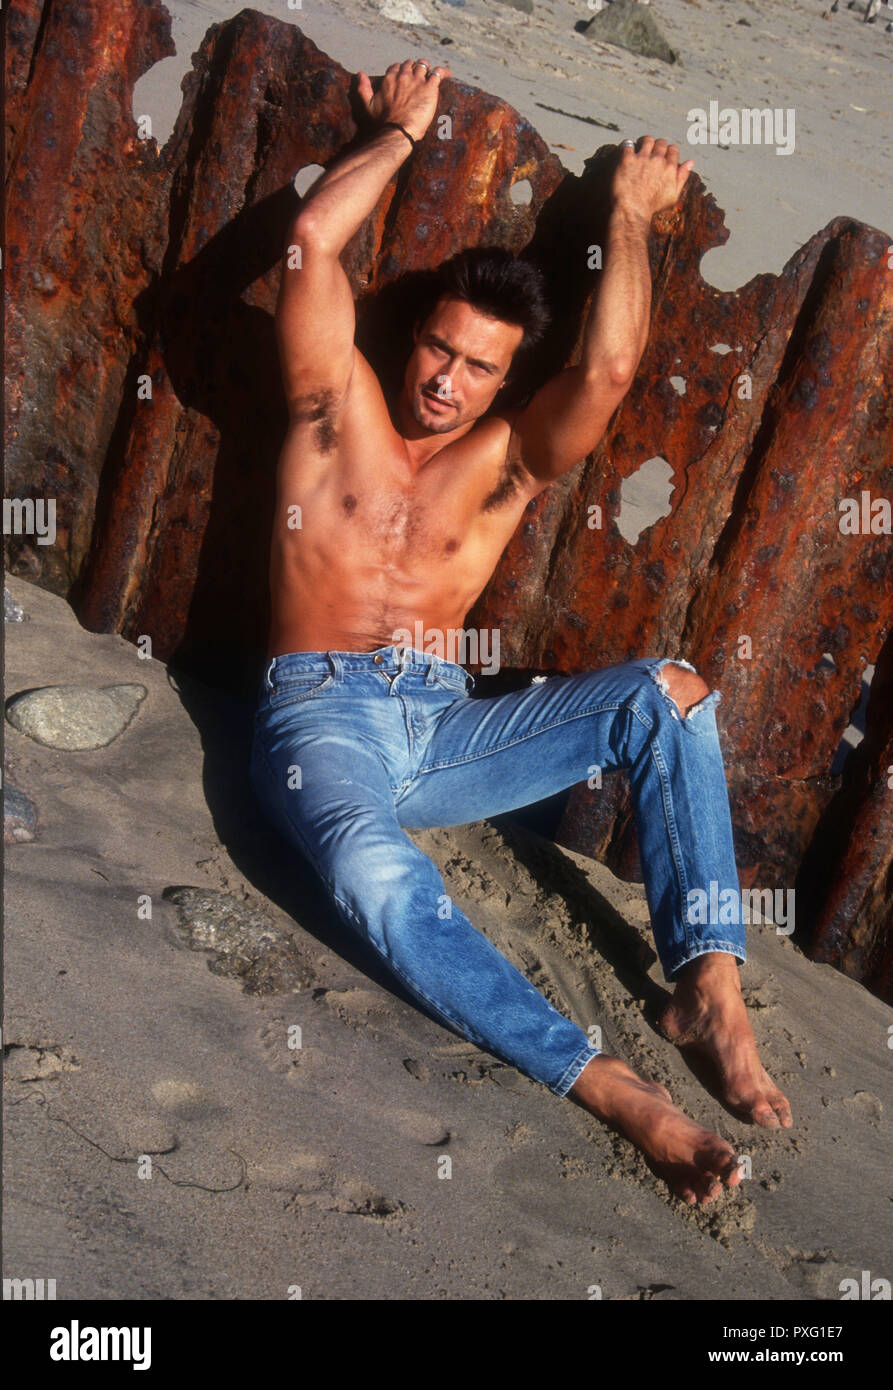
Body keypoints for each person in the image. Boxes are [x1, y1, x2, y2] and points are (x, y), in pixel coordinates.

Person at [250, 58, 792, 1208]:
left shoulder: (502, 467)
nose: (445, 379)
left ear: (504, 382)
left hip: (442, 726)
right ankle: (607, 1085)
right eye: (436, 349)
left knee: (674, 690)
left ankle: (708, 986)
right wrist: (398, 135)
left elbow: (605, 366)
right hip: (318, 712)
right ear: (413, 338)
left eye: (476, 367)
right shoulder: (330, 403)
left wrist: (632, 219)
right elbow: (308, 247)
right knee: (366, 867)